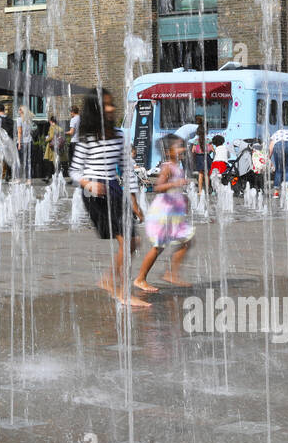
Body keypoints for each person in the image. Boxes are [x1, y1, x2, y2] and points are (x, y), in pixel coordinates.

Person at [70, 90, 148, 309]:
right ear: (96, 111)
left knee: (132, 242)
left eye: (112, 104)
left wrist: (135, 203)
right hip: (93, 194)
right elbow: (75, 171)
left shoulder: (121, 135)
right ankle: (121, 290)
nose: (112, 109)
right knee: (128, 241)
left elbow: (127, 170)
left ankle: (110, 281)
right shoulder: (88, 138)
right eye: (106, 106)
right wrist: (88, 183)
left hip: (114, 191)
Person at [135, 134, 195, 292]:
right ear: (169, 152)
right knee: (158, 247)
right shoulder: (168, 166)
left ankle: (171, 273)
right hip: (163, 212)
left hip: (173, 212)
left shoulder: (177, 166)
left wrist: (184, 198)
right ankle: (140, 279)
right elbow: (158, 187)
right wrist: (176, 183)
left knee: (186, 240)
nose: (183, 149)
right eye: (179, 146)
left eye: (183, 146)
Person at [267, 125, 288, 197]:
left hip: (278, 145)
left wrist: (268, 158)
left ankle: (276, 193)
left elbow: (271, 147)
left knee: (278, 170)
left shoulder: (275, 134)